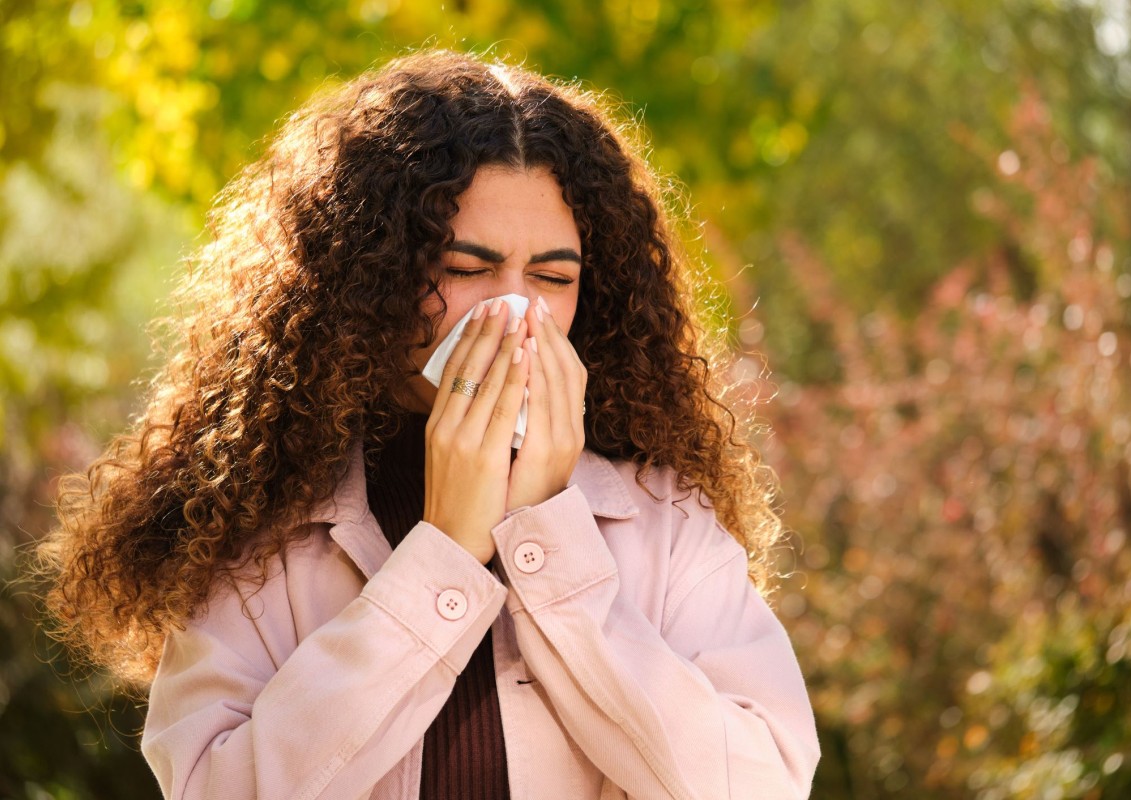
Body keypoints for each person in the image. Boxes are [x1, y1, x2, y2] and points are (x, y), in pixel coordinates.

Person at [40, 49, 820, 799]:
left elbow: (764, 783)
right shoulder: (260, 532)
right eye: (466, 268)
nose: (513, 312)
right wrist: (443, 552)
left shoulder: (663, 519)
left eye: (552, 277)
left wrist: (550, 537)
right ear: (370, 276)